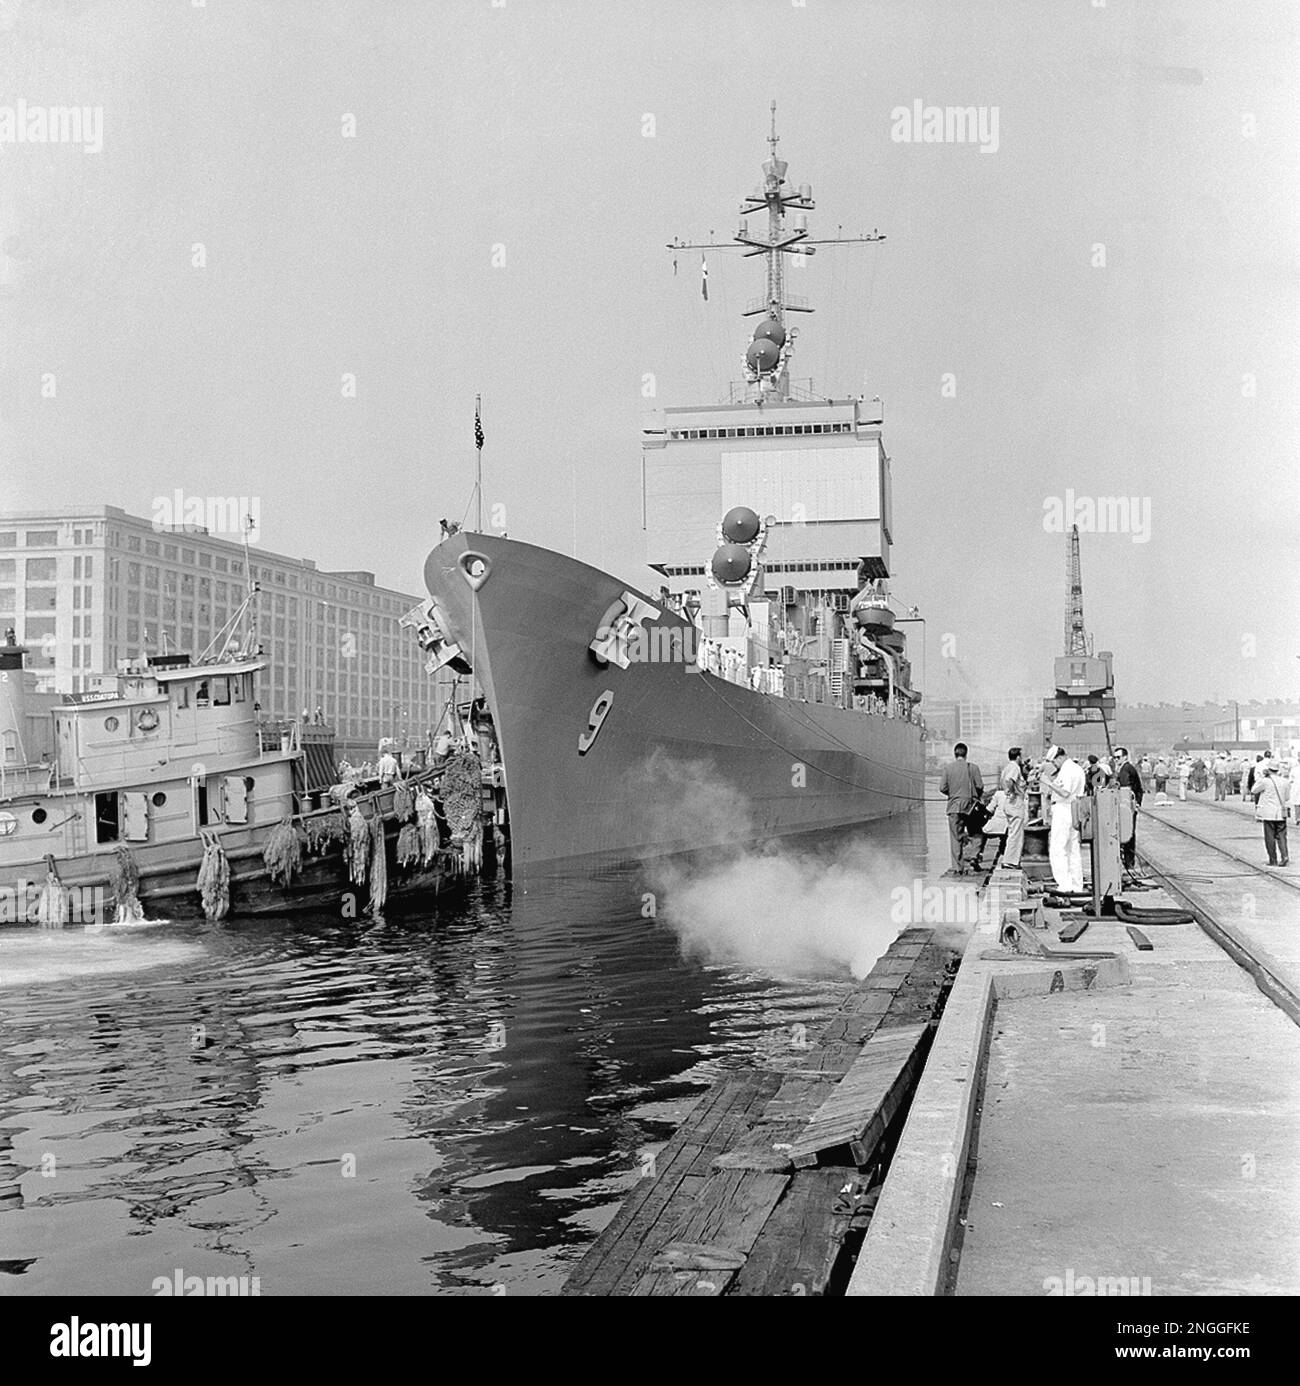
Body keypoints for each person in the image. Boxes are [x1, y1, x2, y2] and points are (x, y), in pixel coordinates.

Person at [1040, 744, 1085, 892]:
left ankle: (1064, 885)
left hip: (1064, 809)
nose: (1054, 765)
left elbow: (1064, 792)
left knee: (1058, 848)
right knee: (1073, 849)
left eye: (1054, 762)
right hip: (1075, 809)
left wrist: (1048, 782)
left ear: (1059, 758)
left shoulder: (1067, 770)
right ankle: (1077, 885)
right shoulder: (1077, 769)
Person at [939, 742, 983, 877]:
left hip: (954, 806)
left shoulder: (948, 768)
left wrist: (953, 794)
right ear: (966, 754)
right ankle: (974, 856)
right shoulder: (973, 768)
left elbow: (942, 788)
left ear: (955, 754)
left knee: (955, 838)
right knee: (977, 832)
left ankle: (958, 868)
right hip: (970, 806)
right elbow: (980, 786)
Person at [1251, 763, 1290, 867]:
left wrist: (1263, 777)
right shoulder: (1285, 781)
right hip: (1281, 813)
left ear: (1268, 770)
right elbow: (1287, 797)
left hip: (1269, 813)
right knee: (1282, 836)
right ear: (1278, 770)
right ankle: (1285, 856)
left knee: (1270, 837)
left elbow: (1254, 790)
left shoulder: (1265, 781)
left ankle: (1273, 860)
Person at [1114, 746, 1144, 871]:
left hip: (1127, 806)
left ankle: (1128, 862)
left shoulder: (1125, 769)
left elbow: (1125, 789)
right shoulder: (1127, 768)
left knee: (1127, 833)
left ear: (1125, 757)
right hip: (1131, 805)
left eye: (1118, 757)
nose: (1116, 760)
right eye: (1114, 758)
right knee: (1129, 832)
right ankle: (1128, 861)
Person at [1000, 747, 1028, 870]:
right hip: (1015, 802)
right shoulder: (1015, 767)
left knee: (1013, 832)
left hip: (1010, 803)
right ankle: (1010, 861)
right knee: (1016, 833)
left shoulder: (1007, 767)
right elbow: (1010, 781)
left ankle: (1010, 859)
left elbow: (1004, 780)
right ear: (1018, 757)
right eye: (1021, 756)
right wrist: (1011, 791)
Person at [973, 786, 1009, 870]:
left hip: (996, 823)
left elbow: (989, 809)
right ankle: (1002, 855)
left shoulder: (999, 794)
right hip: (1008, 825)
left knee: (983, 834)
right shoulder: (1018, 794)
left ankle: (978, 855)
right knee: (1004, 839)